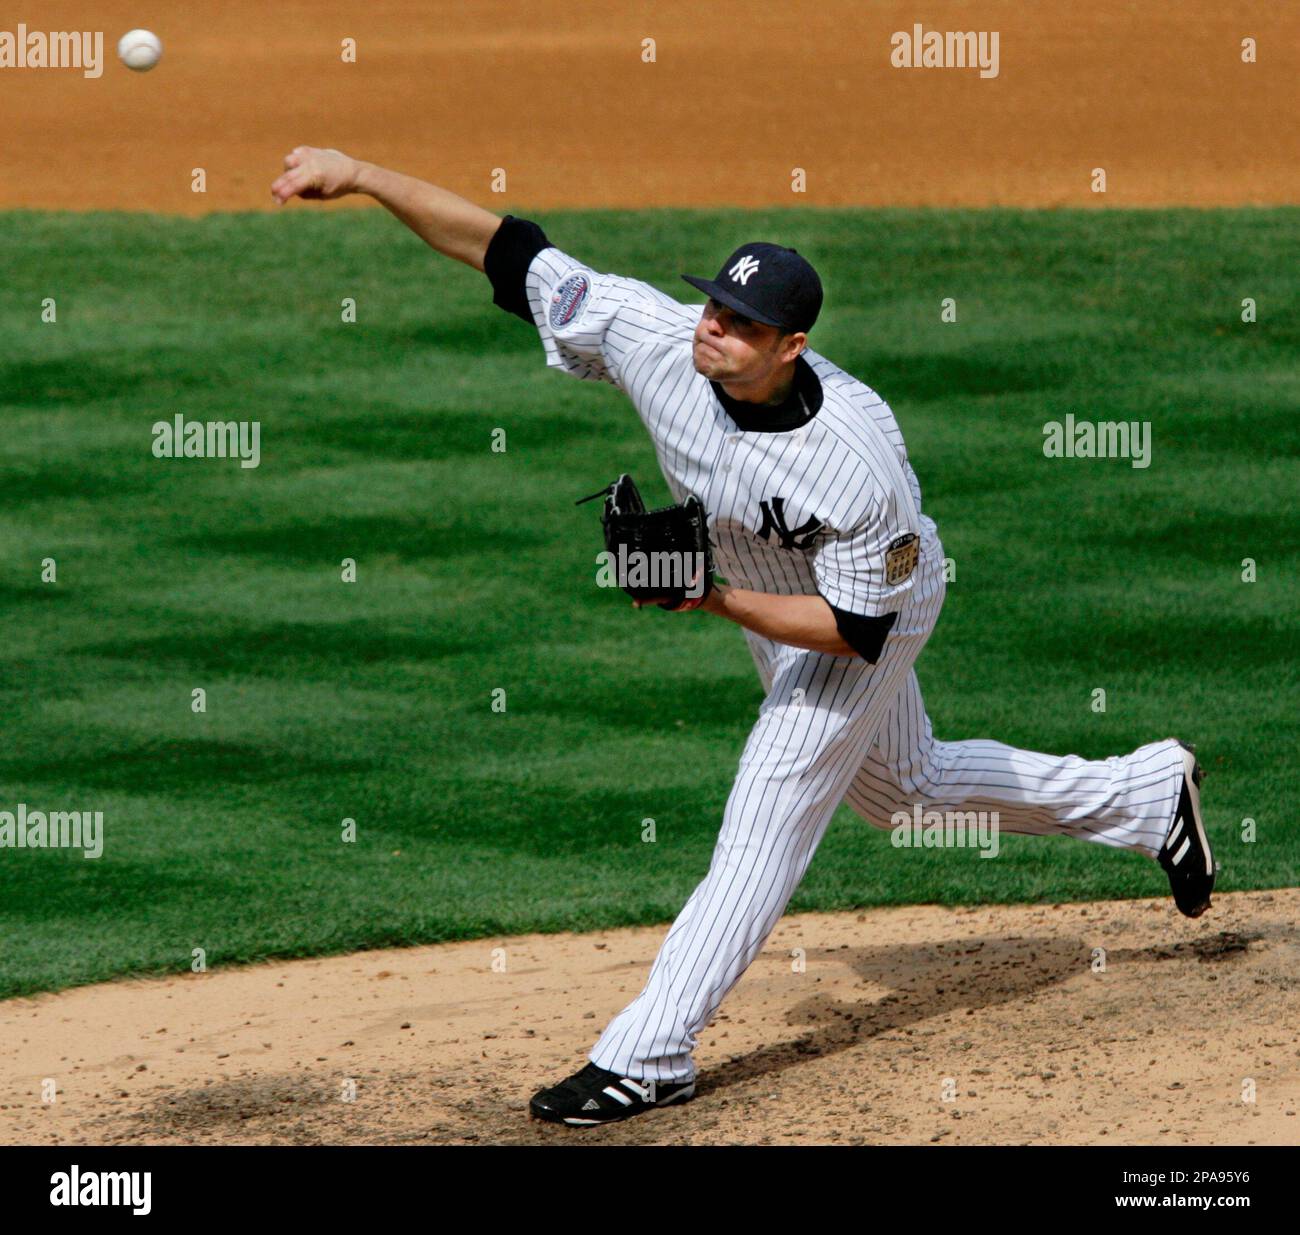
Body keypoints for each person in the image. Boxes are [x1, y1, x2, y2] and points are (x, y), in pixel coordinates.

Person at [271, 148, 1216, 1128]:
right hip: (771, 590)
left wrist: (709, 599)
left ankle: (649, 1052)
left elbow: (854, 629)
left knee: (772, 799)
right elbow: (508, 252)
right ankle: (1144, 797)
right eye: (715, 308)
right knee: (903, 790)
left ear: (791, 345)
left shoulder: (853, 463)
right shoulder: (650, 331)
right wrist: (367, 176)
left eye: (742, 325)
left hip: (863, 607)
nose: (713, 331)